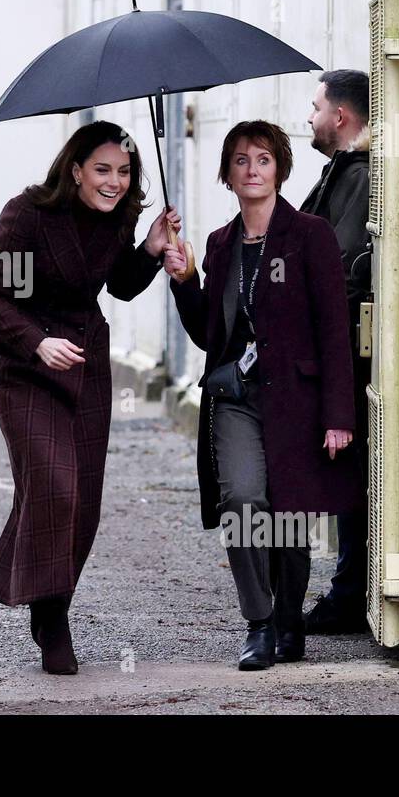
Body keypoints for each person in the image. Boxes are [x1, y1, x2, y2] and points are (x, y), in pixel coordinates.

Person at [0, 120, 180, 674]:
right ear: (75, 169)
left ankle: (54, 602)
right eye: (102, 170)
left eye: (124, 171)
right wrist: (38, 343)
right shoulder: (28, 213)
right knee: (53, 484)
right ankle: (51, 616)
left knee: (83, 497)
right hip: (26, 365)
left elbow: (120, 286)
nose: (114, 182)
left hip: (85, 363)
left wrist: (153, 248)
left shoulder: (120, 218)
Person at [162, 120, 358, 670]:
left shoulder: (310, 235)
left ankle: (290, 619)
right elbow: (209, 334)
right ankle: (260, 623)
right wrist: (184, 280)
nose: (252, 169)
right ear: (227, 173)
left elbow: (334, 329)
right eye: (242, 160)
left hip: (297, 396)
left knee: (289, 517)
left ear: (280, 169)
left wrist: (338, 414)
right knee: (245, 502)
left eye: (264, 159)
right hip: (235, 398)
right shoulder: (221, 244)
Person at [301, 69, 373, 635]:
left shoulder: (361, 176)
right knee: (349, 471)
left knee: (353, 472)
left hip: (350, 351)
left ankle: (351, 594)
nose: (310, 116)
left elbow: (343, 269)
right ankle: (352, 590)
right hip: (342, 349)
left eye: (316, 105)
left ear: (340, 116)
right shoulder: (343, 174)